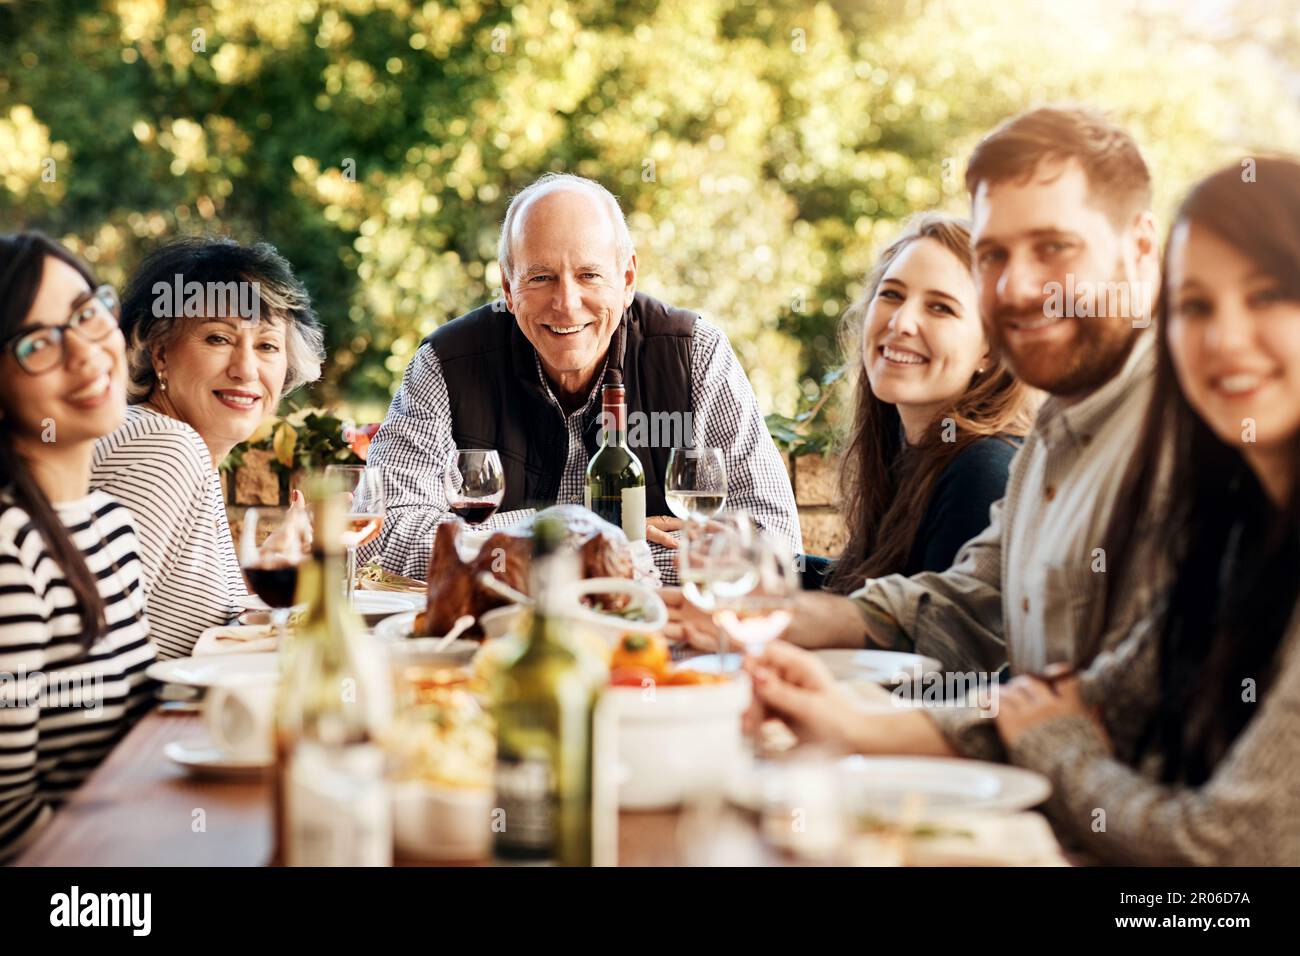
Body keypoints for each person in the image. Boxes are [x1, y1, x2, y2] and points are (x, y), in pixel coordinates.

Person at [753, 157, 1300, 866]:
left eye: (1266, 297)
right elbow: (1083, 698)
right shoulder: (1234, 522)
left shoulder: (999, 459)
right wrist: (845, 721)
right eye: (1195, 306)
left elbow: (1220, 854)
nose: (1224, 338)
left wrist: (1059, 750)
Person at [732, 105, 1165, 760]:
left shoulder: (1187, 433)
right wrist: (762, 616)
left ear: (1137, 249)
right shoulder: (1060, 431)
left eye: (1053, 247)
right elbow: (968, 601)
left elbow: (1114, 724)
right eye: (994, 255)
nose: (1015, 287)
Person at [362, 172, 800, 582]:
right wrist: (582, 530)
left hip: (657, 642)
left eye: (589, 275)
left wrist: (513, 547)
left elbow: (774, 541)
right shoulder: (447, 361)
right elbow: (381, 537)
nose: (566, 304)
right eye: (541, 277)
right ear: (508, 289)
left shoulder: (694, 353)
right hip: (495, 644)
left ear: (627, 279)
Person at [90, 237, 325, 659]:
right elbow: (98, 641)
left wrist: (256, 578)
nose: (245, 369)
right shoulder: (162, 448)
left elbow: (165, 616)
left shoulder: (174, 444)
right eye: (218, 338)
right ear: (159, 352)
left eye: (267, 345)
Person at [0, 233, 157, 861]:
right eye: (38, 343)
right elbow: (8, 824)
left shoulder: (107, 521)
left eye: (86, 315)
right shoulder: (11, 551)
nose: (86, 355)